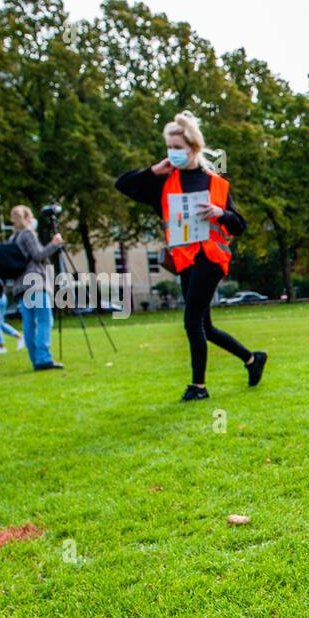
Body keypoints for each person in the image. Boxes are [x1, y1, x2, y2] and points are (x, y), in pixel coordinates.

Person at [115, 111, 267, 401]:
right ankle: (252, 359)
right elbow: (122, 184)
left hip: (210, 258)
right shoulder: (163, 182)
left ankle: (198, 387)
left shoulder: (216, 184)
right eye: (169, 148)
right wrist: (152, 171)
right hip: (183, 260)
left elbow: (240, 224)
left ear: (194, 148)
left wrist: (220, 213)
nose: (172, 153)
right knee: (204, 326)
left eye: (177, 148)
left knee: (191, 321)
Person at [7, 205, 61, 370]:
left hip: (20, 286)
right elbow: (38, 255)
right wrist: (54, 244)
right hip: (34, 282)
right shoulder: (28, 234)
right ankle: (43, 357)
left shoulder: (13, 239)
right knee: (45, 320)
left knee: (29, 324)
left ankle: (35, 358)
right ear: (28, 218)